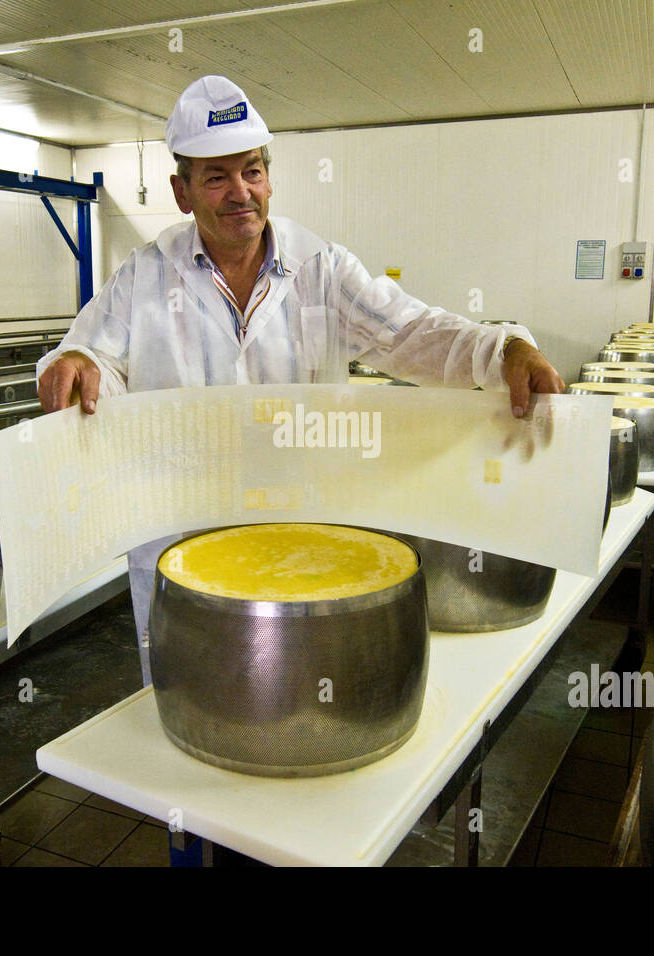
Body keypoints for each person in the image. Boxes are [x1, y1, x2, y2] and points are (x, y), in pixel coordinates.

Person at [36, 75, 566, 683]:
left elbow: (412, 333)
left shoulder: (321, 270)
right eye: (217, 178)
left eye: (253, 171)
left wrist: (502, 349)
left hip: (305, 537)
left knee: (305, 698)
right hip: (184, 552)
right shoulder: (144, 278)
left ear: (269, 178)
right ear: (182, 193)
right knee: (199, 705)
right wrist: (77, 364)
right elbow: (94, 360)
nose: (241, 192)